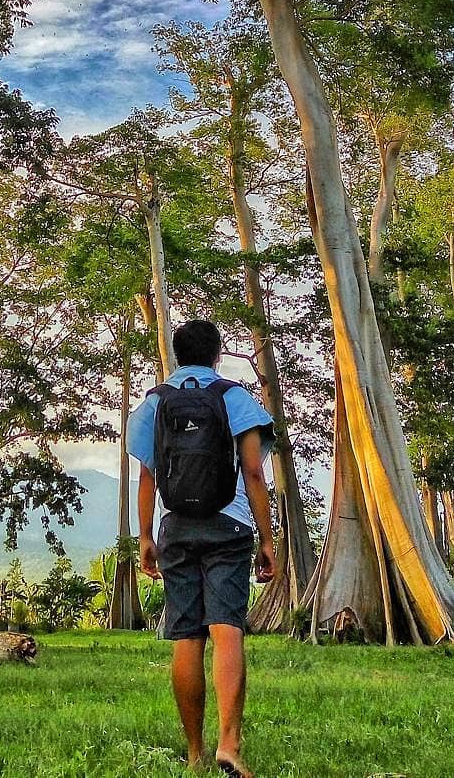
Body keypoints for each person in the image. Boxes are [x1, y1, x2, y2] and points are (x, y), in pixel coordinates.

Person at [128, 318, 276, 777]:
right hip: (228, 527)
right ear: (217, 354)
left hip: (176, 529)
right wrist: (268, 542)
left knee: (186, 636)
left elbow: (148, 476)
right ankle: (228, 744)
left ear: (177, 354)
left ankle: (194, 754)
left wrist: (146, 537)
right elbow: (253, 473)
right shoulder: (234, 397)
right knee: (226, 629)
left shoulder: (154, 403)